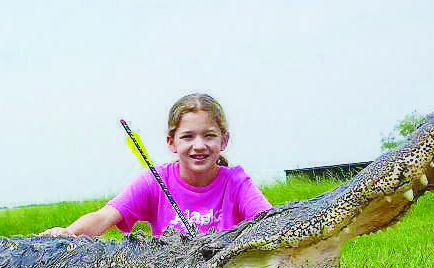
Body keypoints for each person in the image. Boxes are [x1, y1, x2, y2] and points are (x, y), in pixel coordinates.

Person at [42, 93, 272, 237]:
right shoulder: (153, 181)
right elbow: (104, 217)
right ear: (171, 143)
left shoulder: (236, 182)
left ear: (224, 140)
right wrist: (67, 233)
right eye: (188, 137)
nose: (199, 145)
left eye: (209, 135)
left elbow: (272, 223)